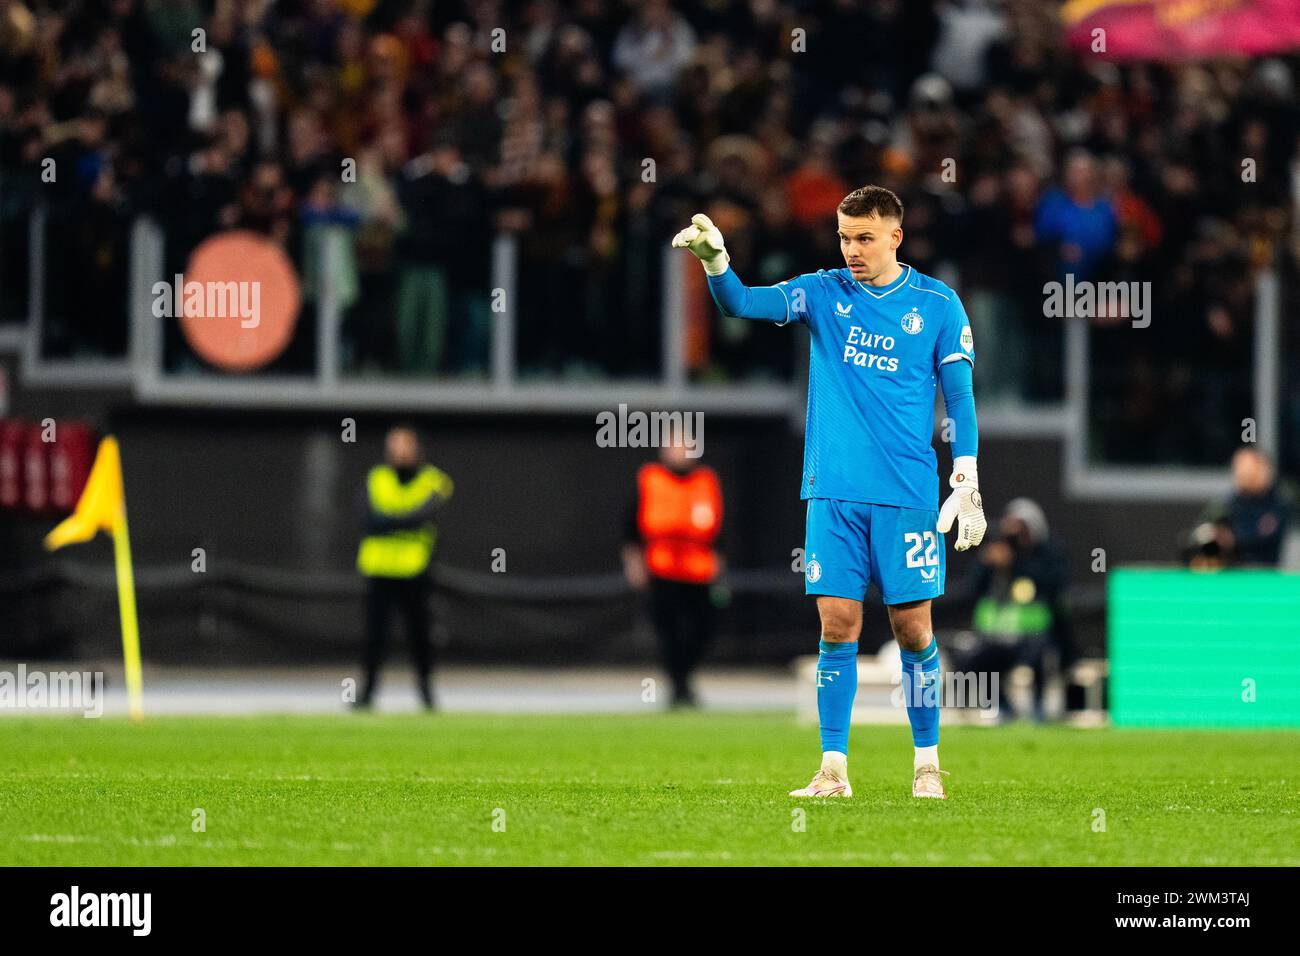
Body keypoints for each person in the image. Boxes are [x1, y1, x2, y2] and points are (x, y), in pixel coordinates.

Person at [673, 185, 986, 800]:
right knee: (838, 626)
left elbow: (962, 397)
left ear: (896, 237)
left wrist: (967, 477)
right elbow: (741, 304)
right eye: (844, 236)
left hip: (907, 494)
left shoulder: (939, 304)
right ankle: (833, 770)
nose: (851, 249)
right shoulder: (822, 292)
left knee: (914, 630)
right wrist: (717, 262)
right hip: (833, 491)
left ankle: (927, 764)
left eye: (864, 238)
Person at [355, 425, 453, 710]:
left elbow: (422, 515)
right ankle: (367, 693)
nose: (399, 451)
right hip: (379, 570)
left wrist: (390, 521)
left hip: (416, 571)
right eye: (394, 445)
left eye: (405, 445)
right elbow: (368, 519)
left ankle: (426, 694)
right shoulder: (376, 478)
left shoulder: (434, 480)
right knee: (375, 635)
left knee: (420, 635)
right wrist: (402, 520)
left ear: (417, 448)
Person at [622, 442, 723, 708]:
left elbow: (720, 531)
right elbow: (630, 527)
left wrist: (718, 566)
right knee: (668, 632)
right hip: (662, 568)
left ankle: (684, 680)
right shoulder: (651, 479)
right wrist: (634, 563)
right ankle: (679, 688)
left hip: (698, 570)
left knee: (702, 630)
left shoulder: (705, 481)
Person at [953, 498, 1071, 722]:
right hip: (996, 633)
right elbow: (973, 588)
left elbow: (1052, 585)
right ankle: (1002, 706)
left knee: (1040, 656)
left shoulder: (1049, 553)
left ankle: (1039, 709)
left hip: (1036, 633)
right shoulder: (995, 551)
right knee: (976, 661)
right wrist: (986, 562)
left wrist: (1014, 563)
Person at [1189, 446, 1294, 567]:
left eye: (1249, 468)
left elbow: (1262, 537)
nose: (1243, 473)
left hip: (1264, 573)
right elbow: (1201, 532)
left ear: (1264, 469)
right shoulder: (1227, 502)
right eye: (1239, 467)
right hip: (1229, 575)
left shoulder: (1279, 502)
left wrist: (1230, 539)